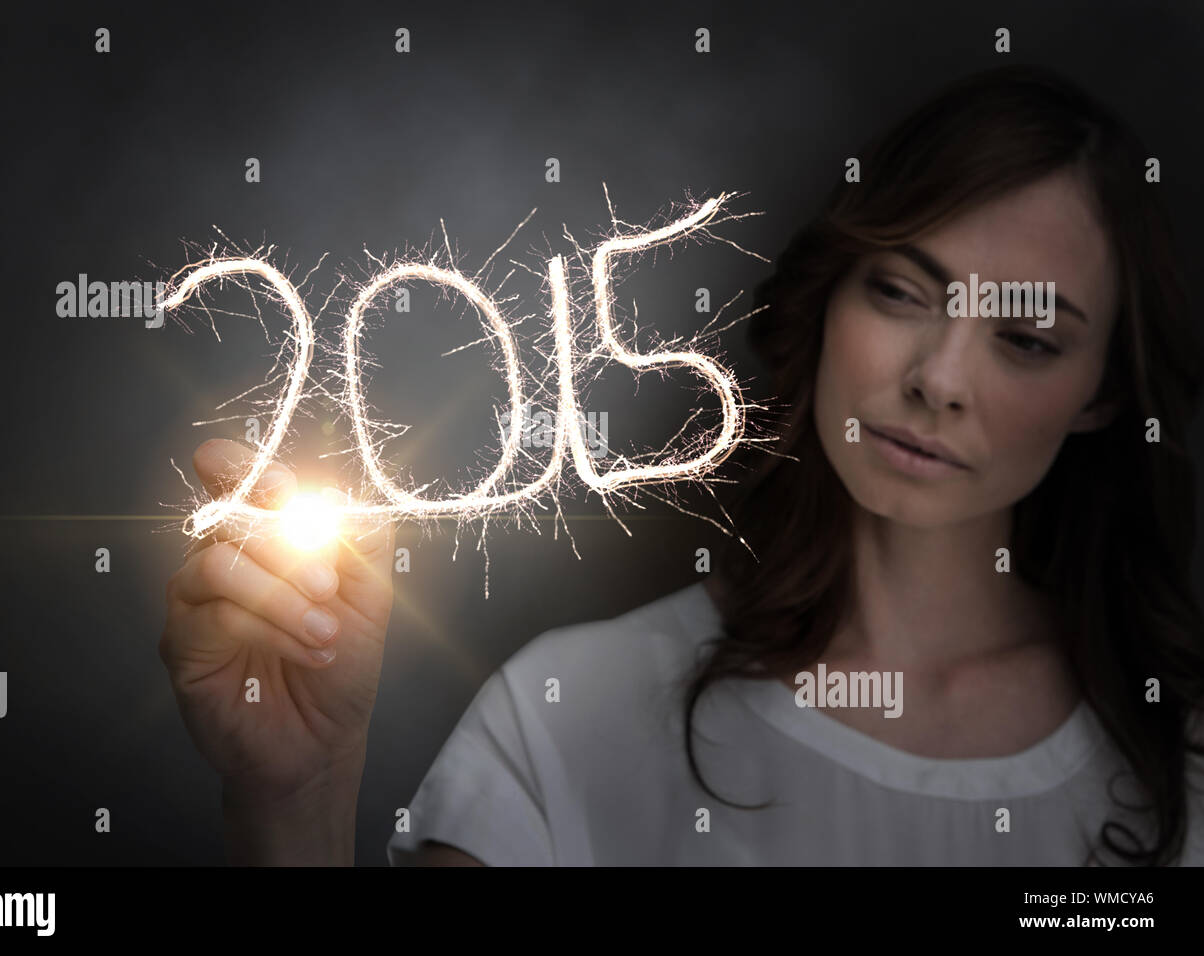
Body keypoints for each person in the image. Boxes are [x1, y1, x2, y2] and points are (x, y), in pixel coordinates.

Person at [159, 65, 1204, 866]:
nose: (938, 378)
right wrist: (297, 796)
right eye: (900, 290)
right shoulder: (566, 711)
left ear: (1103, 394)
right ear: (830, 294)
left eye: (1024, 338)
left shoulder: (1178, 767)